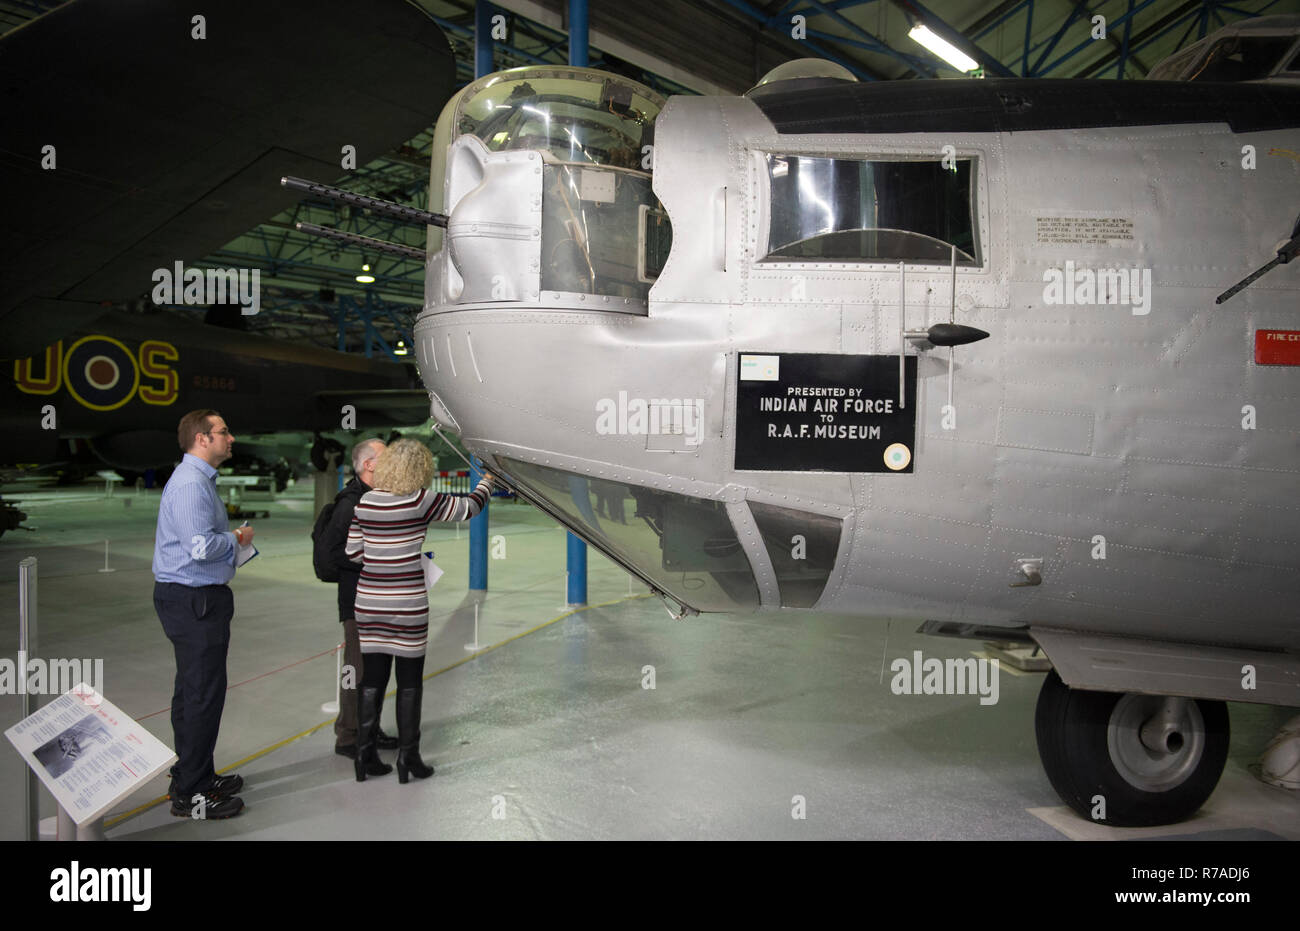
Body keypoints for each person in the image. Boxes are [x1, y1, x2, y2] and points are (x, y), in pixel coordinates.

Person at [346, 439, 493, 783]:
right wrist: (488, 480)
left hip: (368, 602)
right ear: (420, 469)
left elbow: (353, 554)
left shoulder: (365, 502)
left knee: (372, 680)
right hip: (407, 604)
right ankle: (408, 758)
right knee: (409, 682)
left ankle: (364, 755)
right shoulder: (420, 500)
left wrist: (384, 555)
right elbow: (469, 508)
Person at [152, 410, 251, 819]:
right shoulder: (192, 485)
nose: (231, 437)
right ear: (201, 439)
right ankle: (192, 794)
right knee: (201, 696)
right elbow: (200, 547)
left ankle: (194, 774)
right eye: (223, 431)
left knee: (194, 692)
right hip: (194, 601)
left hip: (193, 599)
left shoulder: (195, 480)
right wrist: (236, 538)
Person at [320, 437, 398, 759]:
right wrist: (374, 558)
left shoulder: (377, 498)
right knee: (357, 669)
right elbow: (331, 553)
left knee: (376, 670)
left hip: (380, 599)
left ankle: (369, 726)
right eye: (386, 458)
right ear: (369, 465)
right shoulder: (351, 502)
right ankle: (348, 736)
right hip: (357, 603)